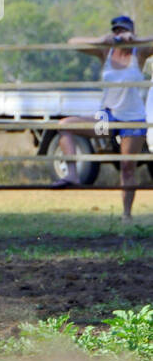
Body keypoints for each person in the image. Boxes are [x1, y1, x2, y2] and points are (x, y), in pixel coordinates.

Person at [51, 15, 153, 222]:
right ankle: (72, 174)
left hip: (132, 120)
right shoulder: (105, 52)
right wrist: (99, 40)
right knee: (65, 126)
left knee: (127, 168)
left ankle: (126, 215)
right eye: (116, 31)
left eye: (123, 30)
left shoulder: (139, 53)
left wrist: (136, 39)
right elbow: (72, 43)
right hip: (107, 117)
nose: (119, 35)